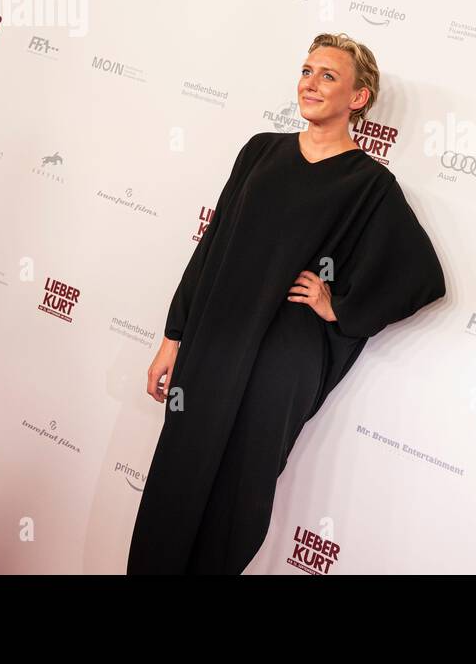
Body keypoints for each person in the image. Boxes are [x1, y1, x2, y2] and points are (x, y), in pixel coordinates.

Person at [126, 32, 446, 574]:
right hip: (214, 342)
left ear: (358, 98)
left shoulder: (369, 184)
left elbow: (420, 276)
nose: (311, 83)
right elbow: (213, 244)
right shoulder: (260, 151)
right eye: (306, 70)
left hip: (280, 361)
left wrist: (337, 305)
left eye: (328, 76)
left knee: (240, 489)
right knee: (179, 472)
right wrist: (172, 338)